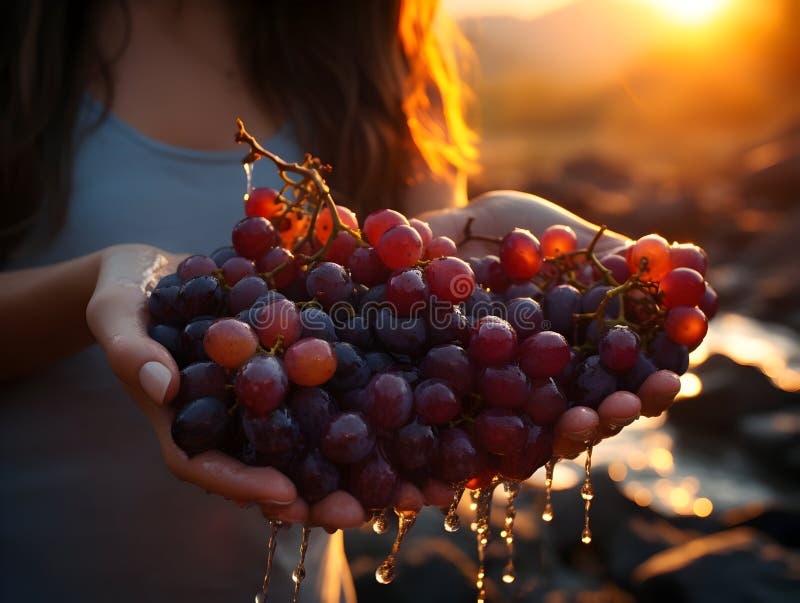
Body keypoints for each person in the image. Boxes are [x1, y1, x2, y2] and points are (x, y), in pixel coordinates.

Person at [0, 1, 681, 601]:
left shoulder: (382, 44)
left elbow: (428, 315)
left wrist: (506, 284)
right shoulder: (25, 39)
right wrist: (90, 288)